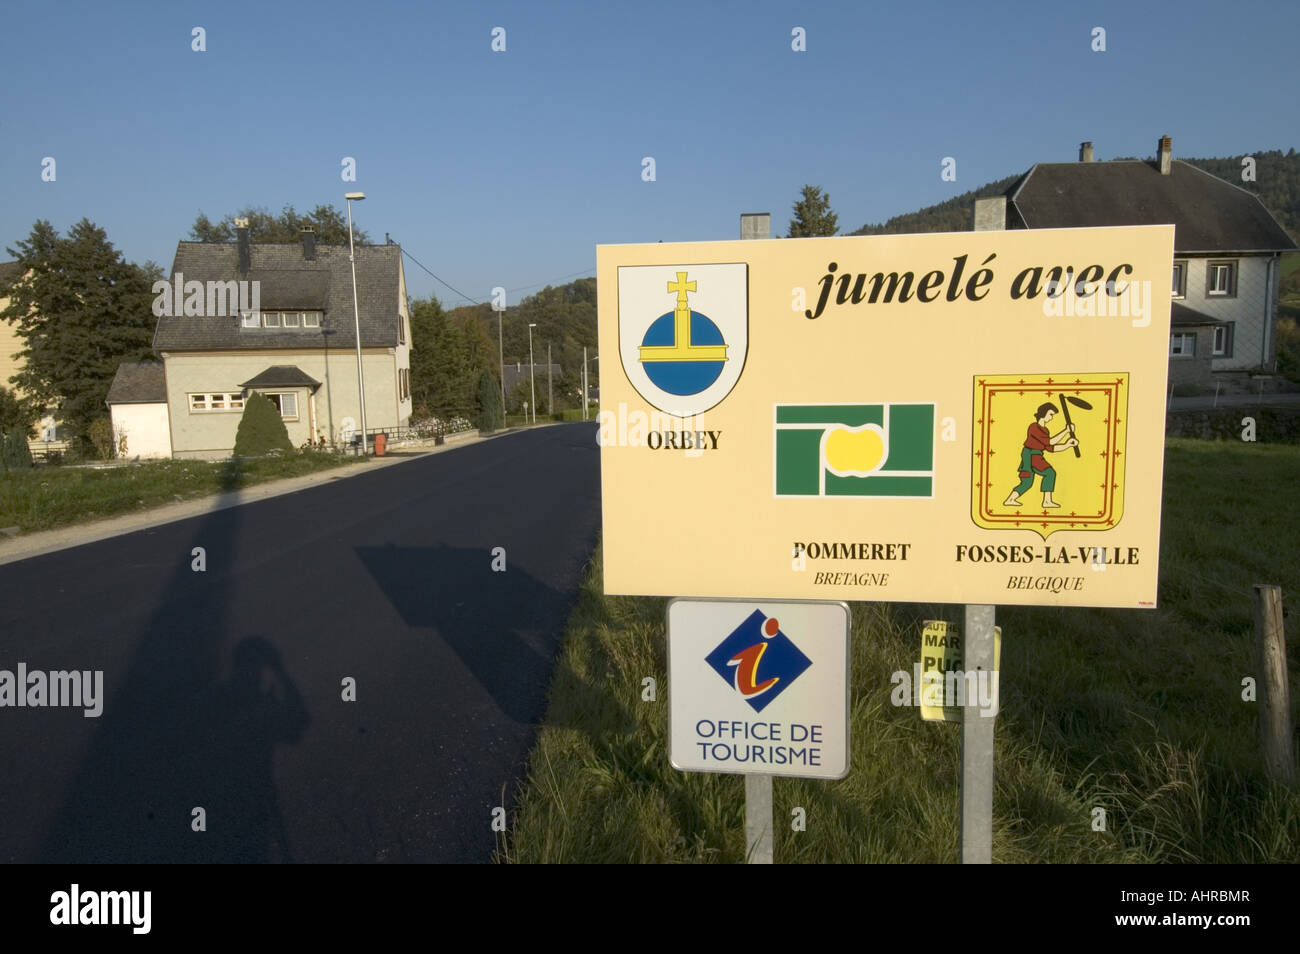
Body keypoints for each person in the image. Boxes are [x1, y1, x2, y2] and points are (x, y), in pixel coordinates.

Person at [1003, 403, 1078, 509]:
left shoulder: (1045, 430)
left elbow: (1051, 448)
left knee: (1027, 482)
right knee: (1049, 473)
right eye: (1051, 414)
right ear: (1043, 413)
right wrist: (1066, 431)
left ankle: (1010, 500)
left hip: (1035, 455)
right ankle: (1047, 501)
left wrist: (1067, 445)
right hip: (1031, 455)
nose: (1052, 417)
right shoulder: (1034, 427)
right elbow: (1050, 442)